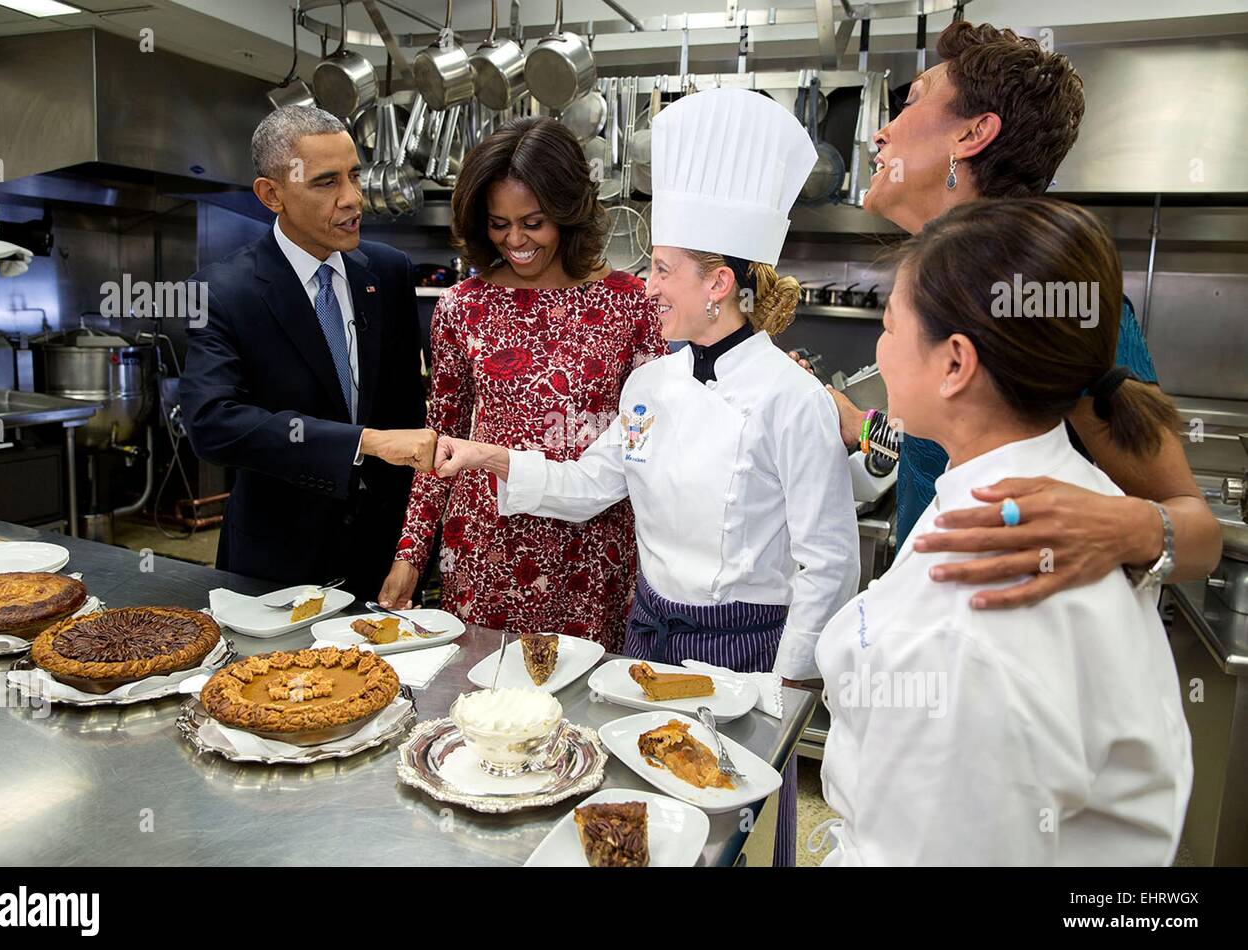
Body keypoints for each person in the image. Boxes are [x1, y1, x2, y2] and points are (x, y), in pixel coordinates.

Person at [434, 89, 861, 866]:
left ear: (719, 283)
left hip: (746, 649)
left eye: (663, 270)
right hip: (646, 634)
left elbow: (829, 562)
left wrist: (787, 690)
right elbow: (594, 482)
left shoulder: (791, 398)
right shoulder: (652, 386)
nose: (649, 285)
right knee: (644, 819)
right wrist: (497, 461)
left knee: (725, 827)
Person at [815, 198, 1193, 865]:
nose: (879, 345)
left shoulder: (969, 618)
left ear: (956, 364)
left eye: (890, 324)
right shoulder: (1039, 486)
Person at [810, 21, 1221, 603]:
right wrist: (862, 425)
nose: (880, 134)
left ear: (973, 134)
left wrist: (1119, 524)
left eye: (910, 103)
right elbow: (968, 441)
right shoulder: (942, 292)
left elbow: (1197, 534)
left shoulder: (1048, 298)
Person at [376, 117, 662, 649]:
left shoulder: (630, 304)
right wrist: (410, 554)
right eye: (498, 224)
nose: (515, 241)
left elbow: (645, 445)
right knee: (482, 710)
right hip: (486, 547)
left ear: (570, 213)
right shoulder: (462, 307)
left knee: (584, 711)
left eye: (533, 222)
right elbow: (437, 439)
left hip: (592, 549)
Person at [181, 105, 434, 597]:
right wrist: (362, 442)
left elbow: (407, 410)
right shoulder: (221, 291)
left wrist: (413, 548)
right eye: (326, 183)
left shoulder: (388, 272)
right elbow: (213, 423)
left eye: (354, 176)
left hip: (380, 556)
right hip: (276, 564)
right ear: (271, 194)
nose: (352, 199)